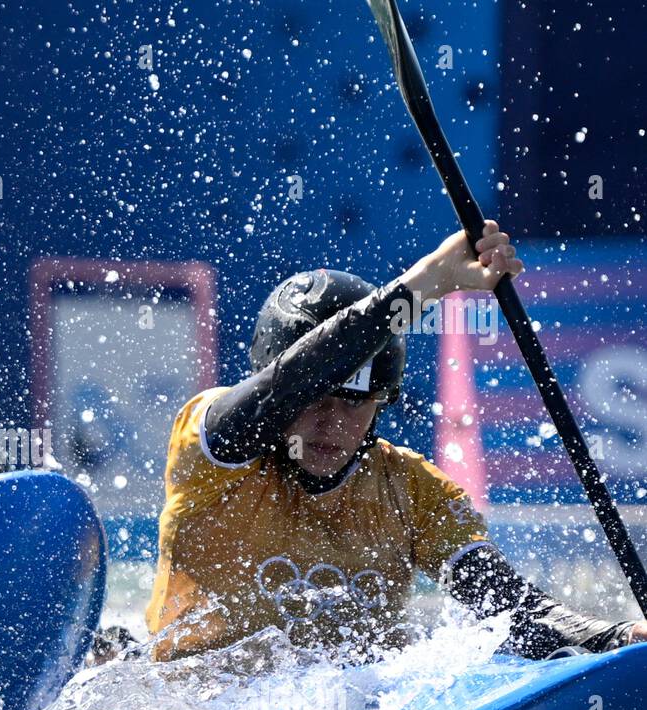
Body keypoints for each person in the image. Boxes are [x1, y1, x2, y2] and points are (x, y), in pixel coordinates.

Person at [143, 221, 647, 663]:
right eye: (315, 399)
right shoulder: (209, 448)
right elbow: (291, 379)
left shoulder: (415, 491)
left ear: (383, 401)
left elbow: (514, 613)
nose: (332, 422)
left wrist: (621, 638)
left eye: (355, 403)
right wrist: (427, 285)